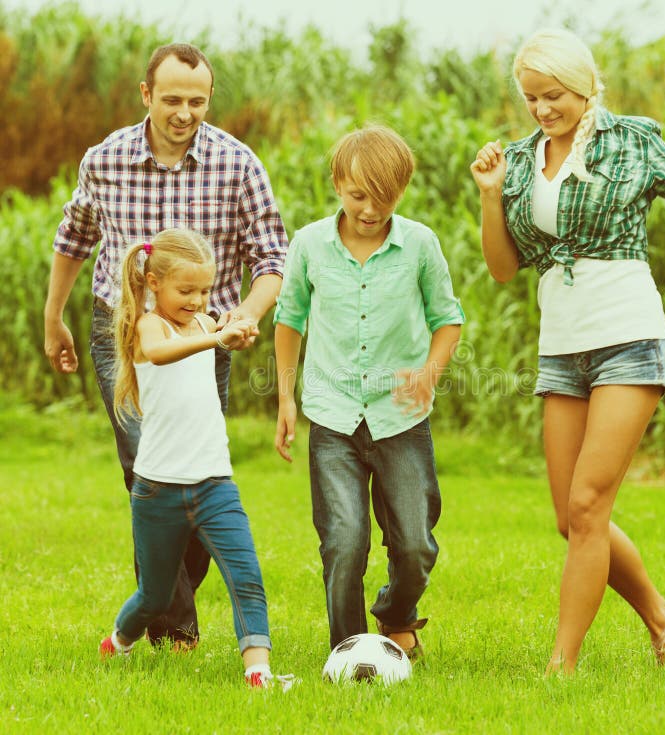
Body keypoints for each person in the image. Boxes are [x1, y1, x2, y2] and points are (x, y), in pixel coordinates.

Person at [470, 28, 665, 674]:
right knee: (570, 517)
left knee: (589, 504)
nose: (540, 109)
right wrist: (489, 195)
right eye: (530, 98)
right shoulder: (524, 158)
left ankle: (562, 664)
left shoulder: (633, 140)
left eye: (552, 95)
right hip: (561, 346)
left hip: (627, 335)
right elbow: (505, 268)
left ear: (584, 86)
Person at [43, 42, 288, 648]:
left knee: (194, 466)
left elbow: (273, 256)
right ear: (146, 95)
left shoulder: (237, 164)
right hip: (119, 330)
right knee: (144, 463)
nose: (185, 112)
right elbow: (73, 238)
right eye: (173, 99)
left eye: (197, 101)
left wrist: (246, 315)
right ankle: (174, 624)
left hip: (206, 334)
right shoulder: (105, 160)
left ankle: (167, 599)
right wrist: (54, 318)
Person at [272, 124, 464, 658]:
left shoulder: (420, 244)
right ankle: (349, 652)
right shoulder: (310, 244)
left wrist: (429, 370)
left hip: (401, 416)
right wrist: (286, 399)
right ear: (337, 183)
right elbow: (289, 322)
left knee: (415, 544)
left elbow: (448, 320)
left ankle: (396, 616)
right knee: (344, 541)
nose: (370, 208)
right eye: (358, 195)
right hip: (332, 415)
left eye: (384, 197)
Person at [98, 228, 294, 690]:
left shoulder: (206, 324)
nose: (197, 300)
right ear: (153, 283)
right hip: (157, 490)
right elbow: (161, 353)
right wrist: (217, 338)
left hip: (213, 485)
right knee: (155, 595)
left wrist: (238, 330)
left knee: (246, 575)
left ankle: (258, 672)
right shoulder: (148, 327)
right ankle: (119, 641)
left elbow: (226, 335)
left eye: (204, 290)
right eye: (186, 290)